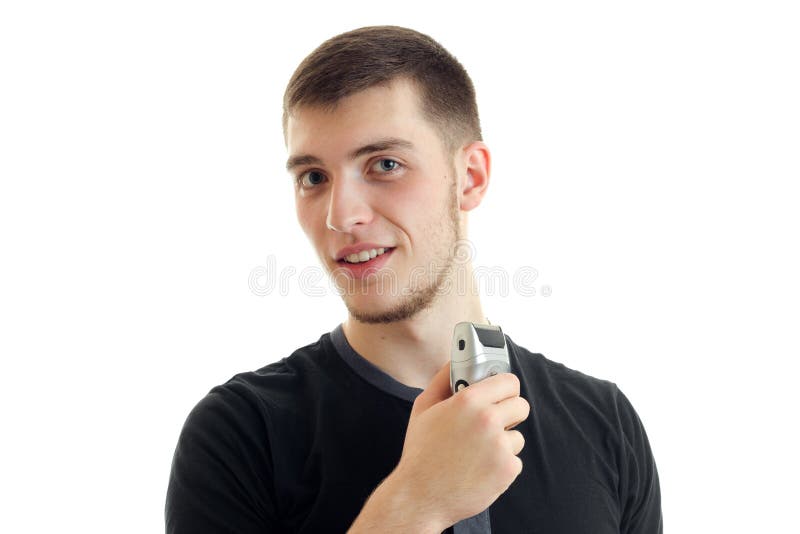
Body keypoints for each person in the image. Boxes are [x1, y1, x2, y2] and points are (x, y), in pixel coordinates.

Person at [165, 25, 662, 534]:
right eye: (313, 177)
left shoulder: (604, 423)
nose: (341, 215)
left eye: (385, 164)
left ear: (470, 177)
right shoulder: (240, 435)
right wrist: (417, 501)